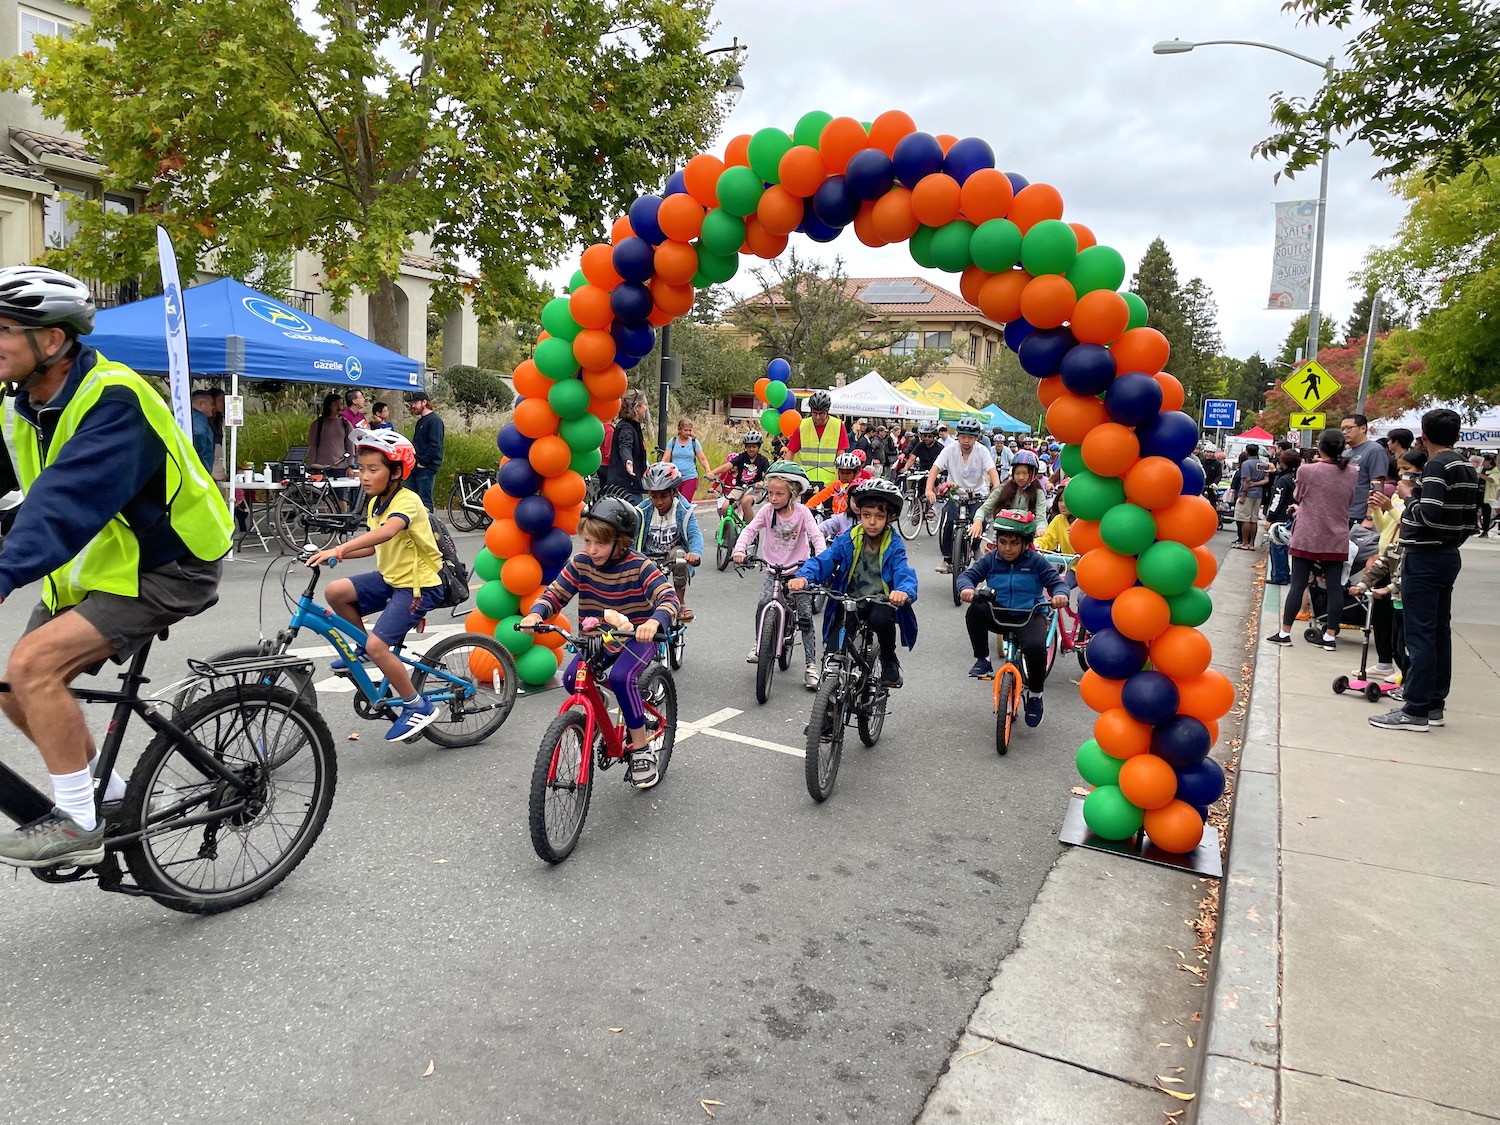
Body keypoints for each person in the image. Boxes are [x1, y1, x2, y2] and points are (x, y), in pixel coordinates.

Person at [0, 266, 232, 867]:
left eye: (3, 328)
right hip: (97, 566)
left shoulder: (113, 399)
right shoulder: (23, 403)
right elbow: (14, 498)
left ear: (51, 340)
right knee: (11, 688)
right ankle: (115, 794)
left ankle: (78, 821)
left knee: (32, 665)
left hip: (170, 565)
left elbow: (58, 509)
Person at [521, 497, 679, 787]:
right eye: (587, 541)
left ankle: (641, 749)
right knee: (572, 679)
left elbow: (669, 598)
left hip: (635, 637)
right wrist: (535, 614)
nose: (591, 550)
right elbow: (556, 593)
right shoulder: (581, 563)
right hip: (598, 639)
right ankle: (602, 705)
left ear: (621, 541)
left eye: (600, 544)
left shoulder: (639, 565)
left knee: (621, 678)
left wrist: (654, 622)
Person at [305, 431, 445, 741]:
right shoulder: (374, 504)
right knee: (335, 592)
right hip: (392, 578)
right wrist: (331, 554)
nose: (363, 476)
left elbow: (388, 532)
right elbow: (370, 548)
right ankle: (364, 649)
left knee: (378, 645)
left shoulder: (407, 501)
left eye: (373, 469)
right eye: (361, 468)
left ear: (396, 472)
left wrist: (339, 549)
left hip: (418, 585)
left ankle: (417, 705)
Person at [1370, 408, 1482, 732]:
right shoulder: (1466, 466)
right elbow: (1469, 520)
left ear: (1424, 434)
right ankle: (1434, 703)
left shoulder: (1436, 465)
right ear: (1457, 434)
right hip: (1448, 554)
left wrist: (1407, 501)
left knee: (1419, 634)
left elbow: (1430, 513)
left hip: (1425, 556)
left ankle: (1415, 708)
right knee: (1437, 632)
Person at [790, 478, 917, 689]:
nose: (872, 522)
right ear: (859, 514)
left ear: (890, 518)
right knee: (833, 651)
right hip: (849, 599)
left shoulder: (894, 545)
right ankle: (829, 710)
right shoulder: (849, 538)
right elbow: (825, 560)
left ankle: (888, 659)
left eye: (879, 516)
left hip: (880, 600)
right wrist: (804, 577)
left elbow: (903, 572)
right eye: (866, 515)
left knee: (882, 619)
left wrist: (903, 591)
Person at [956, 509, 1071, 727]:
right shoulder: (990, 560)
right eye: (1003, 542)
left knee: (1036, 647)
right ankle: (983, 660)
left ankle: (1035, 694)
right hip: (999, 613)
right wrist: (967, 588)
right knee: (975, 609)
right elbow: (967, 576)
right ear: (997, 541)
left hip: (1029, 615)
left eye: (1014, 543)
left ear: (1026, 544)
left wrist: (1059, 595)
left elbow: (1057, 583)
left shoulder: (1036, 562)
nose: (1007, 548)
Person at [734, 461, 826, 688]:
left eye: (779, 494)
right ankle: (759, 645)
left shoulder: (803, 513)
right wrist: (739, 549)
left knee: (805, 616)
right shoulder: (766, 511)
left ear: (792, 493)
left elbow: (816, 537)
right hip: (773, 570)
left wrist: (821, 559)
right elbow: (750, 530)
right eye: (770, 493)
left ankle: (811, 665)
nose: (773, 498)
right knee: (763, 604)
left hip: (798, 572)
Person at [1266, 428, 1358, 652]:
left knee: (1298, 583)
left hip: (1308, 533)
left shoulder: (1307, 470)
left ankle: (1285, 632)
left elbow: (1299, 496)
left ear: (1320, 447)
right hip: (1336, 535)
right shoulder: (1352, 472)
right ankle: (1329, 637)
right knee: (1335, 587)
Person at [928, 415, 999, 574]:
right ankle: (947, 559)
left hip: (977, 494)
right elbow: (935, 469)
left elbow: (992, 472)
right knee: (947, 522)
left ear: (976, 438)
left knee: (979, 521)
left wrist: (997, 491)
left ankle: (975, 547)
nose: (966, 440)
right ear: (957, 436)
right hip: (955, 494)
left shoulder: (982, 451)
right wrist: (928, 489)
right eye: (963, 437)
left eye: (970, 437)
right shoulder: (949, 449)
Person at [636, 462, 703, 622]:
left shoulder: (683, 510)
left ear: (674, 493)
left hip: (673, 552)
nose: (659, 502)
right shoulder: (642, 511)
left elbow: (695, 534)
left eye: (664, 496)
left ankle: (680, 603)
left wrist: (695, 553)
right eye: (654, 496)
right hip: (650, 555)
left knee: (681, 558)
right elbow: (630, 535)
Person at [972, 449, 1045, 540]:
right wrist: (978, 521)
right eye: (1017, 473)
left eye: (1025, 473)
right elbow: (984, 508)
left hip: (1026, 539)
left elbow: (1041, 518)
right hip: (1002, 538)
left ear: (1033, 473)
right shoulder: (1003, 489)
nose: (1021, 477)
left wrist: (1041, 529)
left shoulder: (1038, 493)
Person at [788, 390, 848, 488]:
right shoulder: (803, 425)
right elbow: (790, 453)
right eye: (815, 413)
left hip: (830, 483)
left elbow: (841, 456)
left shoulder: (838, 426)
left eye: (822, 413)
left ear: (827, 411)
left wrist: (841, 481)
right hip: (806, 482)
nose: (818, 417)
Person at [712, 429, 771, 524]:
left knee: (746, 502)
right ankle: (731, 529)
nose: (751, 449)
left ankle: (750, 532)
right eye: (748, 446)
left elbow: (768, 476)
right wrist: (712, 473)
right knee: (725, 507)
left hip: (755, 489)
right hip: (740, 487)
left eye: (754, 446)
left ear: (759, 447)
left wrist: (762, 483)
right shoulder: (741, 457)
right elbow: (727, 466)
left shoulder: (763, 460)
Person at [1340, 413, 1387, 527]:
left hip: (1360, 515)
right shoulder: (1346, 453)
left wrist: (1369, 516)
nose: (1345, 432)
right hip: (1344, 514)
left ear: (1363, 428)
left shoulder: (1374, 450)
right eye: (1342, 429)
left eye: (1349, 428)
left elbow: (1377, 484)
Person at [1263, 449, 1301, 584]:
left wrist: (1269, 518)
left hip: (1281, 517)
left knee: (1278, 546)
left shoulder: (1283, 480)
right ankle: (1288, 574)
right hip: (1299, 515)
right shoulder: (1300, 477)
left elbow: (1276, 500)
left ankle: (1280, 576)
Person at [606, 388, 649, 504]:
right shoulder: (626, 428)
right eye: (644, 404)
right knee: (636, 520)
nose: (646, 408)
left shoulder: (633, 426)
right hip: (626, 488)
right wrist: (628, 460)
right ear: (637, 407)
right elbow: (625, 445)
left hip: (630, 485)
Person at [407, 389, 444, 512]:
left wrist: (423, 462)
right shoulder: (420, 421)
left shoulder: (434, 421)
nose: (413, 406)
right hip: (415, 464)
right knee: (412, 498)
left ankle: (429, 527)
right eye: (412, 403)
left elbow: (435, 445)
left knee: (425, 500)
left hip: (426, 466)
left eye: (415, 403)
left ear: (424, 402)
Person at [1228, 444, 1270, 550]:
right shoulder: (1263, 464)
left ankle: (1245, 543)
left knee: (1245, 518)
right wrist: (1256, 484)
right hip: (1258, 494)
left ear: (1247, 452)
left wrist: (1244, 494)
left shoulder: (1246, 464)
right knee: (1254, 519)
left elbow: (1247, 480)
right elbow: (1266, 480)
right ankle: (1252, 543)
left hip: (1247, 494)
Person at [661, 417, 713, 502]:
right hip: (675, 477)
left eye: (690, 430)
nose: (688, 433)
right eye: (685, 430)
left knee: (685, 502)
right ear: (680, 429)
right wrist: (661, 470)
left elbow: (702, 459)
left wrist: (708, 470)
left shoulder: (694, 442)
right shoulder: (673, 441)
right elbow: (665, 458)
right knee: (673, 502)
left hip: (690, 476)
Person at [307, 391, 357, 474]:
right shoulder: (318, 424)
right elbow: (312, 446)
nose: (339, 407)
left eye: (341, 404)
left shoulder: (346, 424)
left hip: (342, 467)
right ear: (329, 406)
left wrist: (350, 466)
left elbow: (350, 446)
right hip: (321, 467)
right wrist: (312, 465)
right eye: (336, 404)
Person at [806, 451, 868, 517]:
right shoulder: (836, 485)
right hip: (835, 518)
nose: (844, 476)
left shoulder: (860, 486)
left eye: (848, 473)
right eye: (842, 473)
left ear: (855, 473)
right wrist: (805, 509)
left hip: (852, 518)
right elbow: (820, 496)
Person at [191, 389, 216, 474]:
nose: (213, 407)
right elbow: (198, 433)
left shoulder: (187, 415)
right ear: (201, 404)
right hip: (199, 468)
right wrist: (198, 454)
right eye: (211, 404)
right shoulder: (199, 417)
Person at [1480, 452, 1499, 537]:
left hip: (1488, 495)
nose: (1483, 462)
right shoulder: (1481, 468)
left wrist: (1479, 475)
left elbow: (1492, 480)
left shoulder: (1495, 470)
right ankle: (1475, 528)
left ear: (1490, 461)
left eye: (1485, 460)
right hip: (1478, 493)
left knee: (1486, 513)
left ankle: (1485, 531)